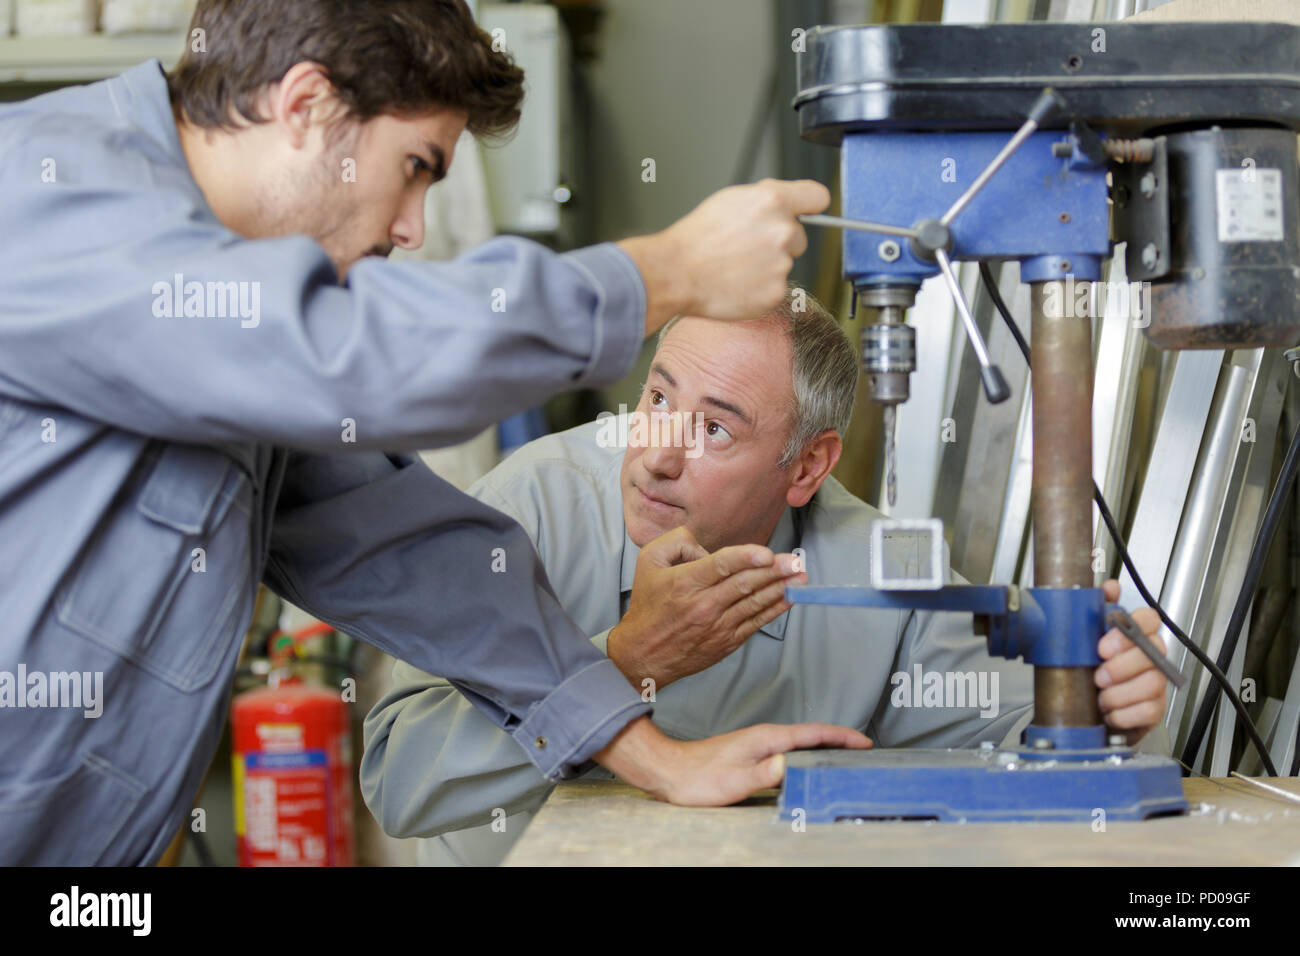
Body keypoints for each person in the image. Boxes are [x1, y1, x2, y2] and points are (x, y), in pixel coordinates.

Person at [0, 0, 869, 866]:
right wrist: (669, 272)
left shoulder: (245, 331)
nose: (412, 227)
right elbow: (357, 352)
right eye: (415, 166)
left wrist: (655, 758)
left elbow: (413, 558)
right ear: (304, 107)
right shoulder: (52, 194)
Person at [361, 289, 1169, 865]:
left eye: (714, 428)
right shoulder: (528, 511)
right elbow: (398, 781)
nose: (657, 453)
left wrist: (1098, 700)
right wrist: (625, 661)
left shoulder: (871, 573)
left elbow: (1009, 733)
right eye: (657, 396)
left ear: (807, 466)